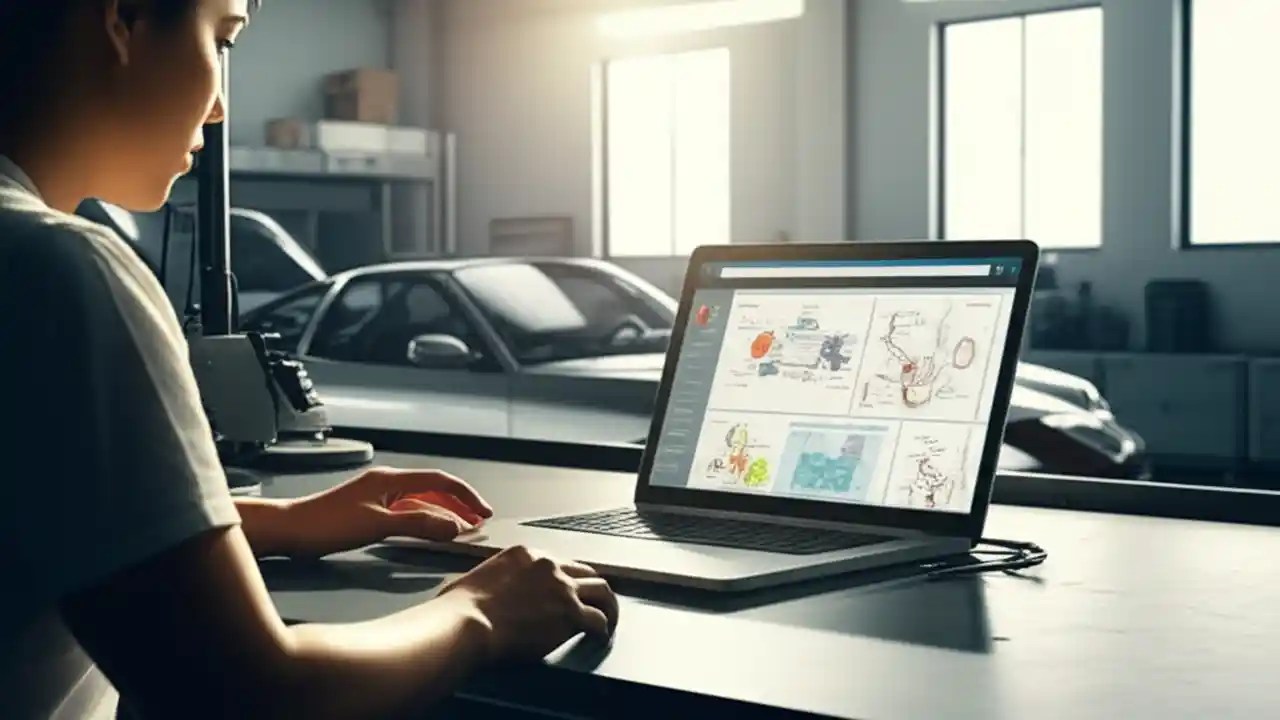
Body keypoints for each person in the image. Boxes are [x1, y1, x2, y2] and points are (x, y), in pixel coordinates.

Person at [0, 1, 619, 718]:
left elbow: (43, 508)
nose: (220, 108)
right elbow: (250, 691)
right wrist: (479, 612)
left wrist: (281, 521)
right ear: (123, 19)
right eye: (221, 39)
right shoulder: (60, 268)